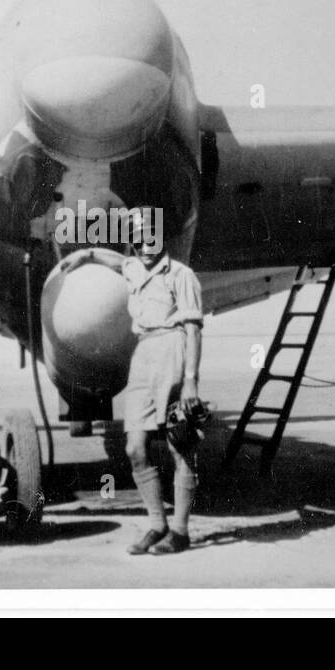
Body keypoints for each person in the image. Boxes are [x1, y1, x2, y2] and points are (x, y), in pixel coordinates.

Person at [119, 208, 203, 555]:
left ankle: (180, 531)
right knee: (135, 447)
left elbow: (194, 329)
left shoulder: (181, 275)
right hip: (142, 355)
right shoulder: (130, 271)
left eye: (152, 235)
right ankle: (157, 525)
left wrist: (190, 382)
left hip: (173, 350)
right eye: (139, 236)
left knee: (179, 443)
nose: (147, 243)